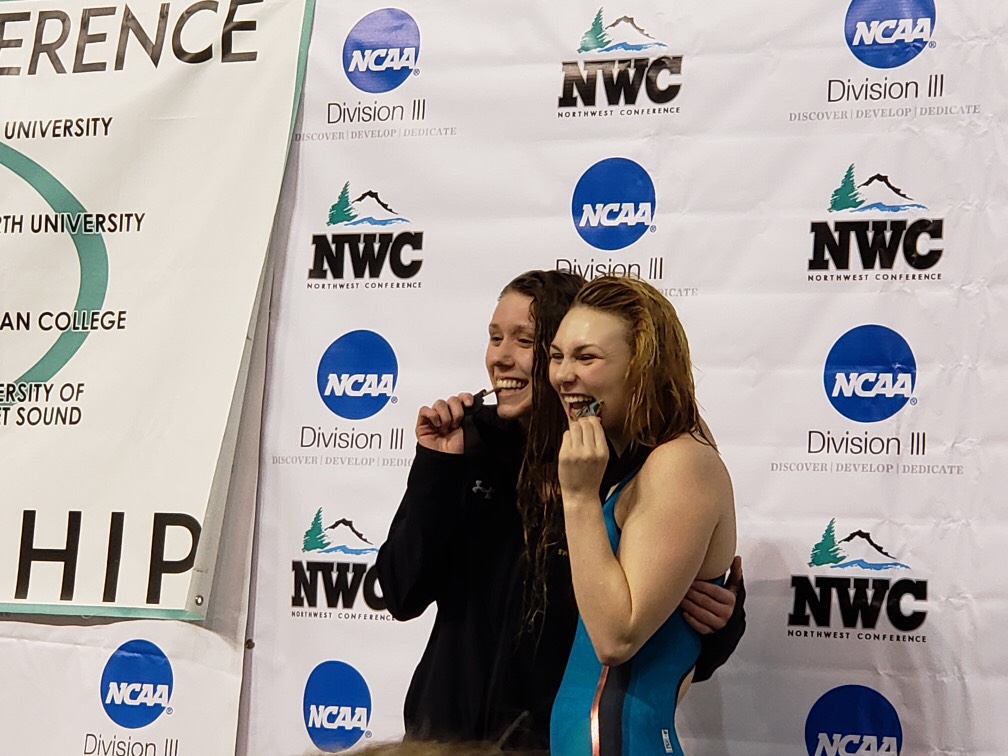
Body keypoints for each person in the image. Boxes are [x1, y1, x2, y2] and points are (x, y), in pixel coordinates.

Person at [376, 271, 745, 752]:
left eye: (526, 341)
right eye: (494, 337)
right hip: (445, 740)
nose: (501, 357)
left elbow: (631, 638)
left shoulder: (634, 464)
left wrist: (720, 624)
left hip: (556, 742)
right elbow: (401, 594)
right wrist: (436, 468)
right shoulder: (470, 444)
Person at [535, 276, 737, 756]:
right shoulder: (639, 462)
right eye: (557, 355)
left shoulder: (681, 462)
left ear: (642, 367)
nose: (564, 374)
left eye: (586, 357)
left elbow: (616, 637)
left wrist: (580, 498)